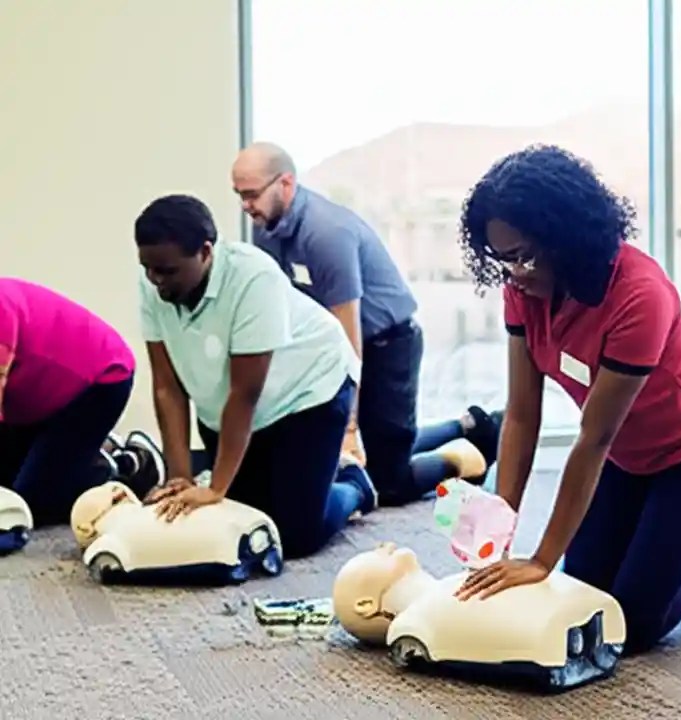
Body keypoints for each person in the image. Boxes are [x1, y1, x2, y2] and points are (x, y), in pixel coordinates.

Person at [450, 144, 681, 655]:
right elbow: (522, 414)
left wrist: (542, 558)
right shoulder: (522, 289)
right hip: (626, 457)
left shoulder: (639, 295)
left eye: (524, 255)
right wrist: (499, 527)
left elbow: (593, 437)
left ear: (565, 238)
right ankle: (675, 528)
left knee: (624, 625)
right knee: (583, 594)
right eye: (502, 261)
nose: (515, 273)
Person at [133, 194, 376, 559]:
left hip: (308, 389)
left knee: (292, 536)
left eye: (167, 271)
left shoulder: (253, 277)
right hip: (232, 403)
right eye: (148, 268)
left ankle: (354, 484)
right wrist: (179, 478)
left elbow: (244, 393)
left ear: (205, 252)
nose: (155, 280)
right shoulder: (154, 281)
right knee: (238, 517)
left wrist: (215, 486)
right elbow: (168, 387)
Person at [232, 142, 425, 506]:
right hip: (334, 347)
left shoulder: (326, 233)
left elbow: (349, 333)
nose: (245, 205)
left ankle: (475, 431)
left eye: (251, 194)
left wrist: (349, 428)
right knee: (333, 460)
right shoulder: (266, 227)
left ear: (285, 184)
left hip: (386, 343)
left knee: (387, 482)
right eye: (239, 195)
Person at [0, 279, 161, 524]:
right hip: (34, 396)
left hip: (96, 382)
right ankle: (86, 456)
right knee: (7, 492)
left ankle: (125, 469)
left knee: (25, 508)